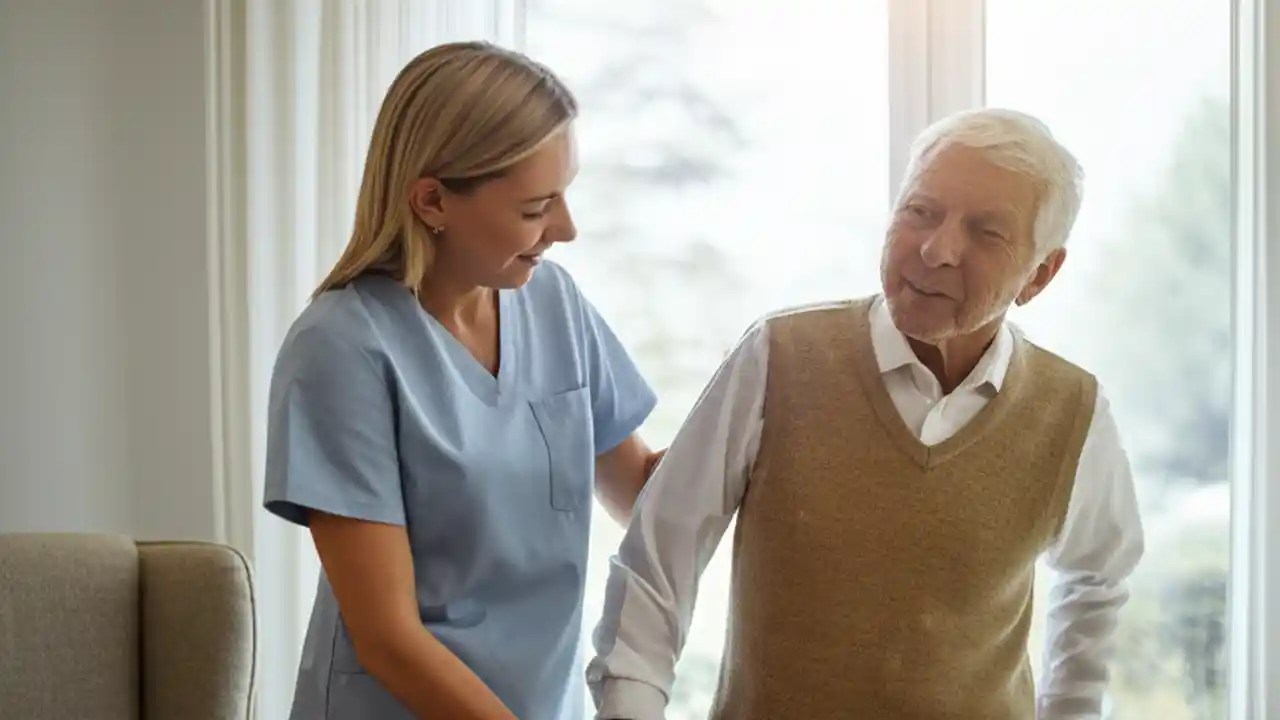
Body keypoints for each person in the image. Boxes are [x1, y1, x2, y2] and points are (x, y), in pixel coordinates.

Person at [588, 108, 1145, 719]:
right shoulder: (778, 358)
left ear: (1040, 274)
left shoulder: (1072, 410)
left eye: (986, 232)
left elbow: (1100, 579)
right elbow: (657, 563)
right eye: (921, 211)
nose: (936, 250)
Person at [263, 41, 662, 720]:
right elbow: (388, 640)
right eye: (537, 208)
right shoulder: (341, 349)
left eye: (564, 196)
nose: (566, 228)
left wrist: (775, 424)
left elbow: (644, 495)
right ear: (431, 201)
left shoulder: (554, 304)